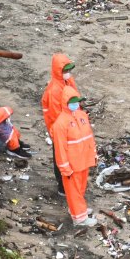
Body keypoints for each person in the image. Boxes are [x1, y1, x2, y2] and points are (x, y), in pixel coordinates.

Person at [51, 92, 97, 226]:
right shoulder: (60, 123)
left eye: (77, 101)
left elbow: (89, 137)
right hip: (72, 164)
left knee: (80, 188)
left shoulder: (81, 115)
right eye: (72, 102)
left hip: (84, 160)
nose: (75, 104)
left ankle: (79, 209)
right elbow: (60, 148)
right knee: (73, 191)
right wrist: (64, 167)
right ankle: (79, 218)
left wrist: (93, 154)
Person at [41, 53, 80, 195]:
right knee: (61, 157)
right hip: (59, 129)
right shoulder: (53, 91)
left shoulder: (68, 81)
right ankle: (62, 187)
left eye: (69, 70)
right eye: (65, 70)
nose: (68, 73)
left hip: (70, 125)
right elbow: (55, 115)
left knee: (70, 156)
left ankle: (69, 182)